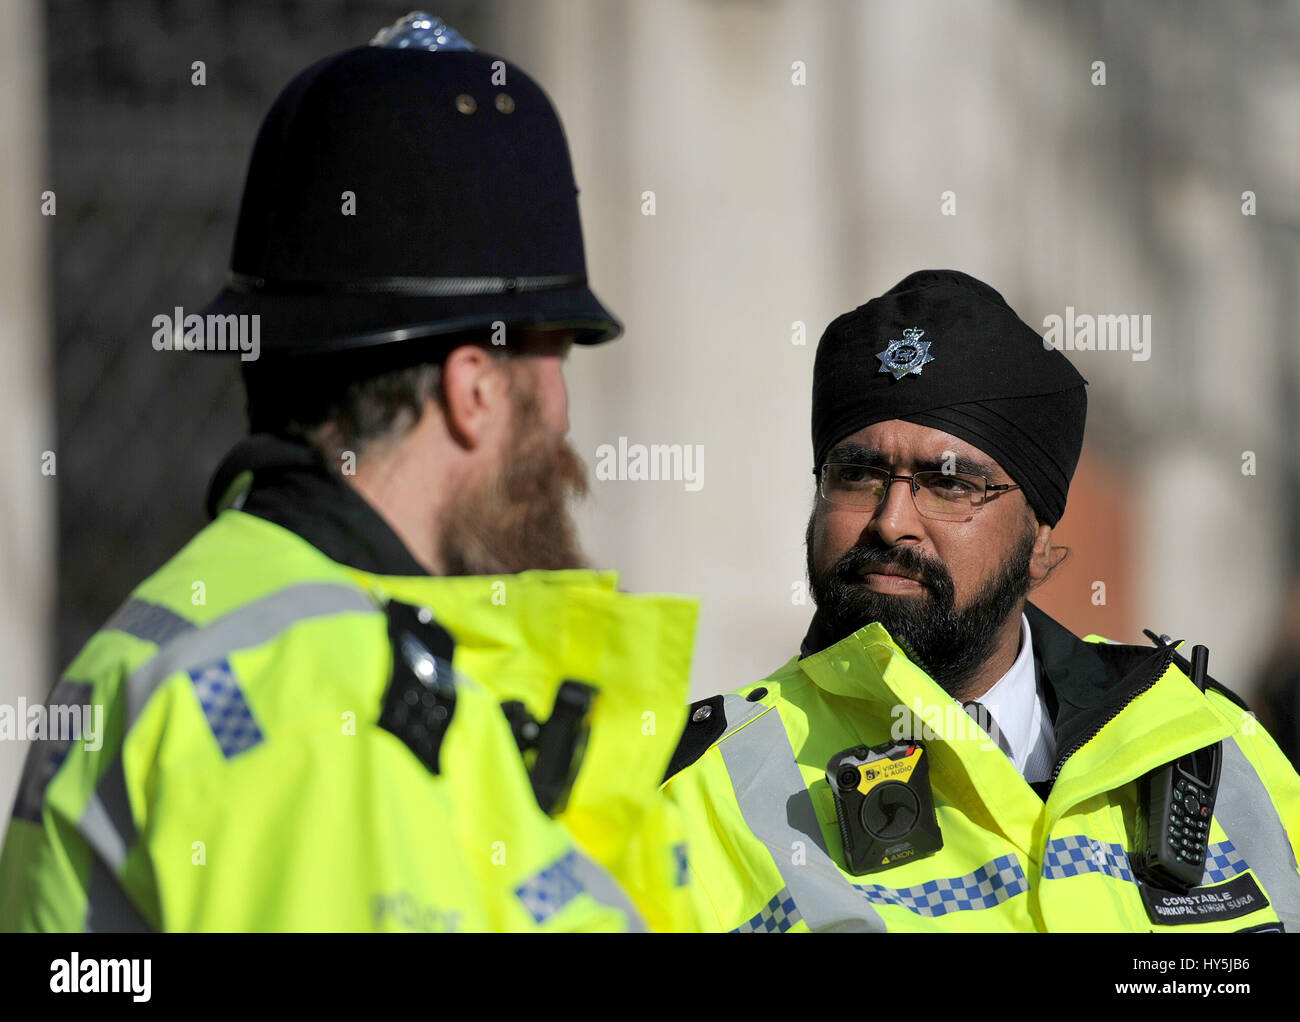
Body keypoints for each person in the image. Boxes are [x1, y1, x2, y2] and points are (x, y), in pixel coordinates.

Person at [0, 15, 704, 933]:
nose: (567, 416)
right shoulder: (327, 694)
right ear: (476, 389)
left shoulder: (184, 633)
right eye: (557, 359)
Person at [663, 268, 1300, 932]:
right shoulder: (702, 786)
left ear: (1038, 540)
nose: (891, 521)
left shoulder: (1204, 738)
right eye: (857, 474)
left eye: (949, 483)